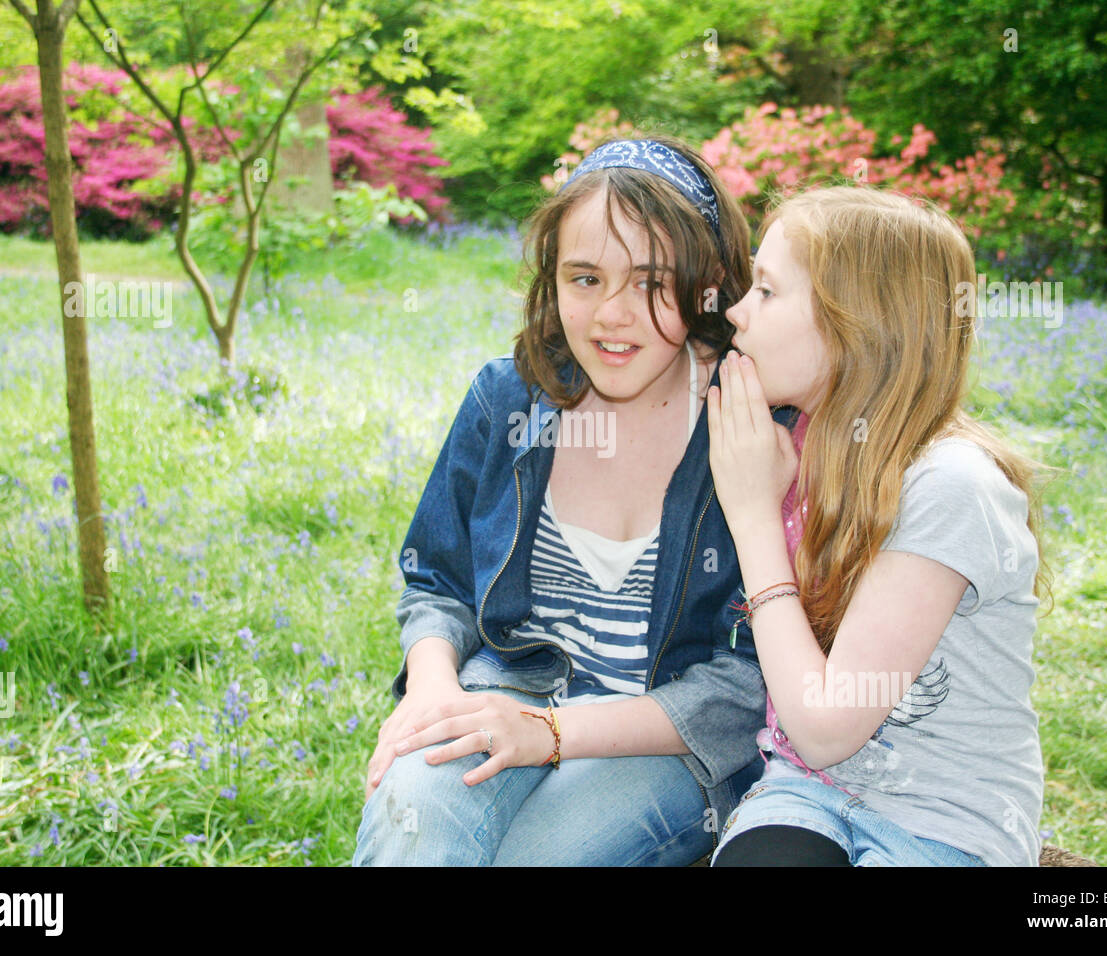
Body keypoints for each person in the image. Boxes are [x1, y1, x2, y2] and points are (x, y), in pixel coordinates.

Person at [352, 135, 800, 866]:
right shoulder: (508, 399)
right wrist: (431, 691)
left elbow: (747, 676)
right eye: (585, 278)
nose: (612, 315)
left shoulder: (752, 425)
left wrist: (550, 734)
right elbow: (437, 578)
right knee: (414, 820)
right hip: (506, 685)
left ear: (711, 282)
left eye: (652, 283)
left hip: (664, 737)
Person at [706, 186, 1049, 867]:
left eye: (768, 293)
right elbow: (816, 753)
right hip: (808, 794)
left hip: (945, 818)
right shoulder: (797, 448)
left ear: (853, 326)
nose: (737, 313)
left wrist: (751, 518)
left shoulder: (950, 485)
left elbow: (828, 727)